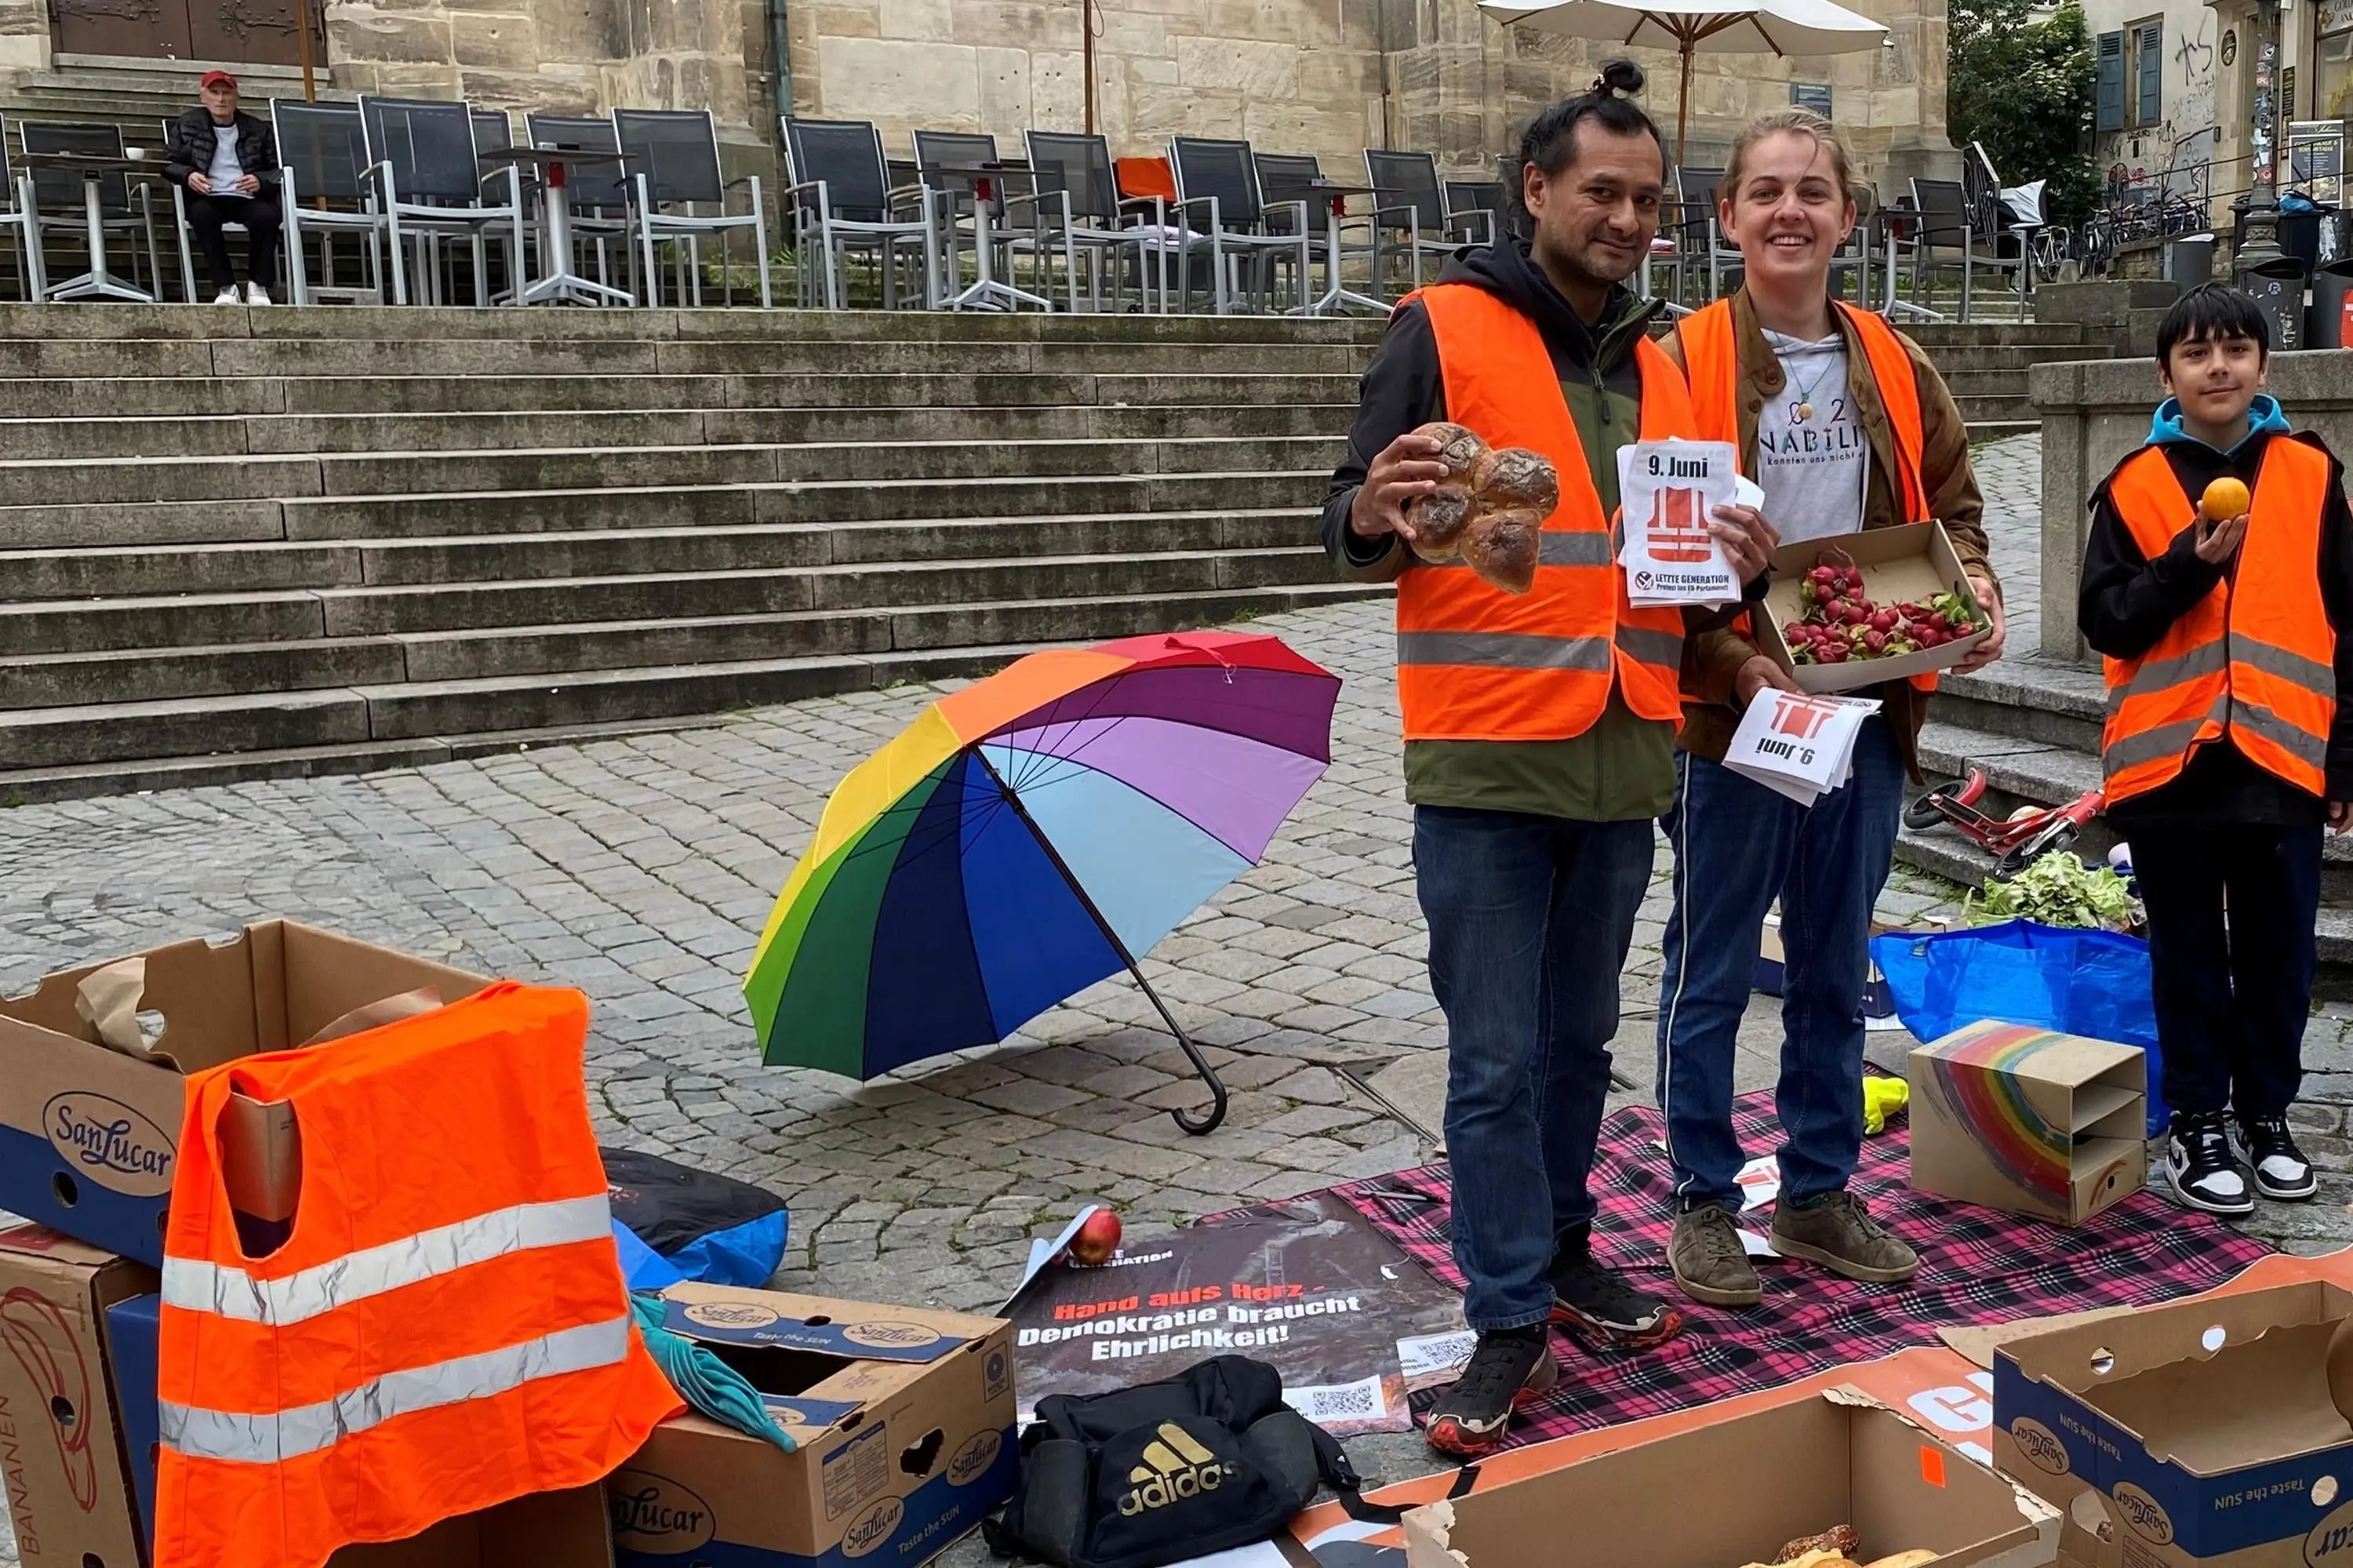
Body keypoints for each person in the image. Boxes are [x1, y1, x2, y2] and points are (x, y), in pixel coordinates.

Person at [1319, 60, 1779, 1456]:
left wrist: (1732, 566)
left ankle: (1569, 1244)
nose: (1628, 217)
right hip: (1485, 764)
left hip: (1627, 750)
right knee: (1496, 1057)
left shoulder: (1663, 359)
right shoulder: (1441, 325)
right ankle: (1507, 1307)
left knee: (1580, 1042)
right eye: (1601, 192)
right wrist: (1376, 509)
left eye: (1645, 197)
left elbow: (1673, 561)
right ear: (1535, 190)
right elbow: (1350, 508)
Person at [1653, 107, 2005, 1308]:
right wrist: (1731, 659)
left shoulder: (1896, 362)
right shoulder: (1680, 360)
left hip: (1864, 708)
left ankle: (1813, 1190)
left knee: (1831, 959)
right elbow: (1646, 557)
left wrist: (1976, 591)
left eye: (1813, 190)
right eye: (1765, 192)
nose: (1789, 210)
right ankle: (1703, 1201)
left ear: (1849, 215)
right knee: (1708, 965)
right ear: (1729, 216)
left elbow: (1953, 506)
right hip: (1731, 711)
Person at [2078, 282, 2353, 1216]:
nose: (2219, 367)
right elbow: (2106, 622)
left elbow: (2345, 621)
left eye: (2236, 348)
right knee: (2188, 955)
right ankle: (2200, 1117)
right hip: (2171, 767)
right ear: (2167, 374)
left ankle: (2266, 1113)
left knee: (2281, 953)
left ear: (2263, 366)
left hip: (2282, 759)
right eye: (2196, 354)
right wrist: (2186, 565)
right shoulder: (2132, 484)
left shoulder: (2312, 474)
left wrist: (2344, 755)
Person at [165, 70, 282, 305]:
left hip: (246, 196)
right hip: (208, 195)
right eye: (214, 92)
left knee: (268, 217)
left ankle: (258, 286)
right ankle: (226, 287)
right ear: (203, 97)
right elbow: (168, 163)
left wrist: (260, 180)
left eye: (226, 93)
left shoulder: (259, 129)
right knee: (202, 215)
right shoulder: (187, 125)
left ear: (236, 98)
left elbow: (277, 169)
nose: (221, 99)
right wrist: (188, 175)